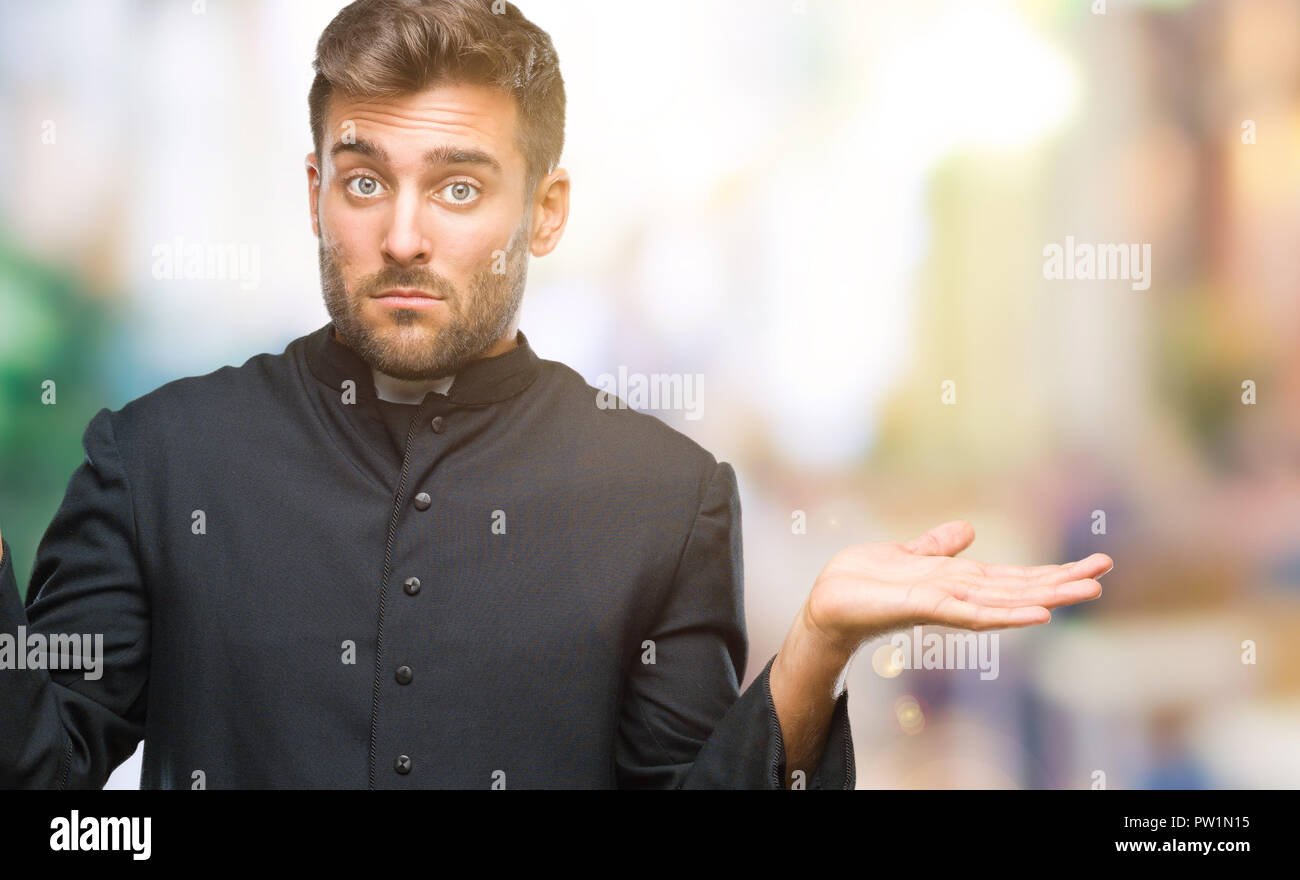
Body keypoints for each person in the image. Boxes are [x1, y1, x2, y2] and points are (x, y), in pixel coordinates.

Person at [0, 0, 1111, 789]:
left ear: (546, 210)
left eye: (460, 186)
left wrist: (814, 646)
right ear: (315, 192)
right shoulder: (156, 459)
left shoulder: (664, 497)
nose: (401, 233)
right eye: (364, 179)